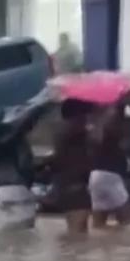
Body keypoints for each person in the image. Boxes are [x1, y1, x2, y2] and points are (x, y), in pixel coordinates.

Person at [51, 99, 94, 235]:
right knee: (78, 231)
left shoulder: (65, 130)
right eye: (85, 113)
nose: (87, 117)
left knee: (76, 230)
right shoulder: (72, 130)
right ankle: (72, 254)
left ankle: (68, 255)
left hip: (68, 184)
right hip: (73, 185)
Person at [88, 103, 130, 229]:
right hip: (110, 176)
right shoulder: (111, 126)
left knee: (98, 224)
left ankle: (103, 246)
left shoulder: (94, 126)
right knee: (126, 221)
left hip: (95, 176)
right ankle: (119, 246)